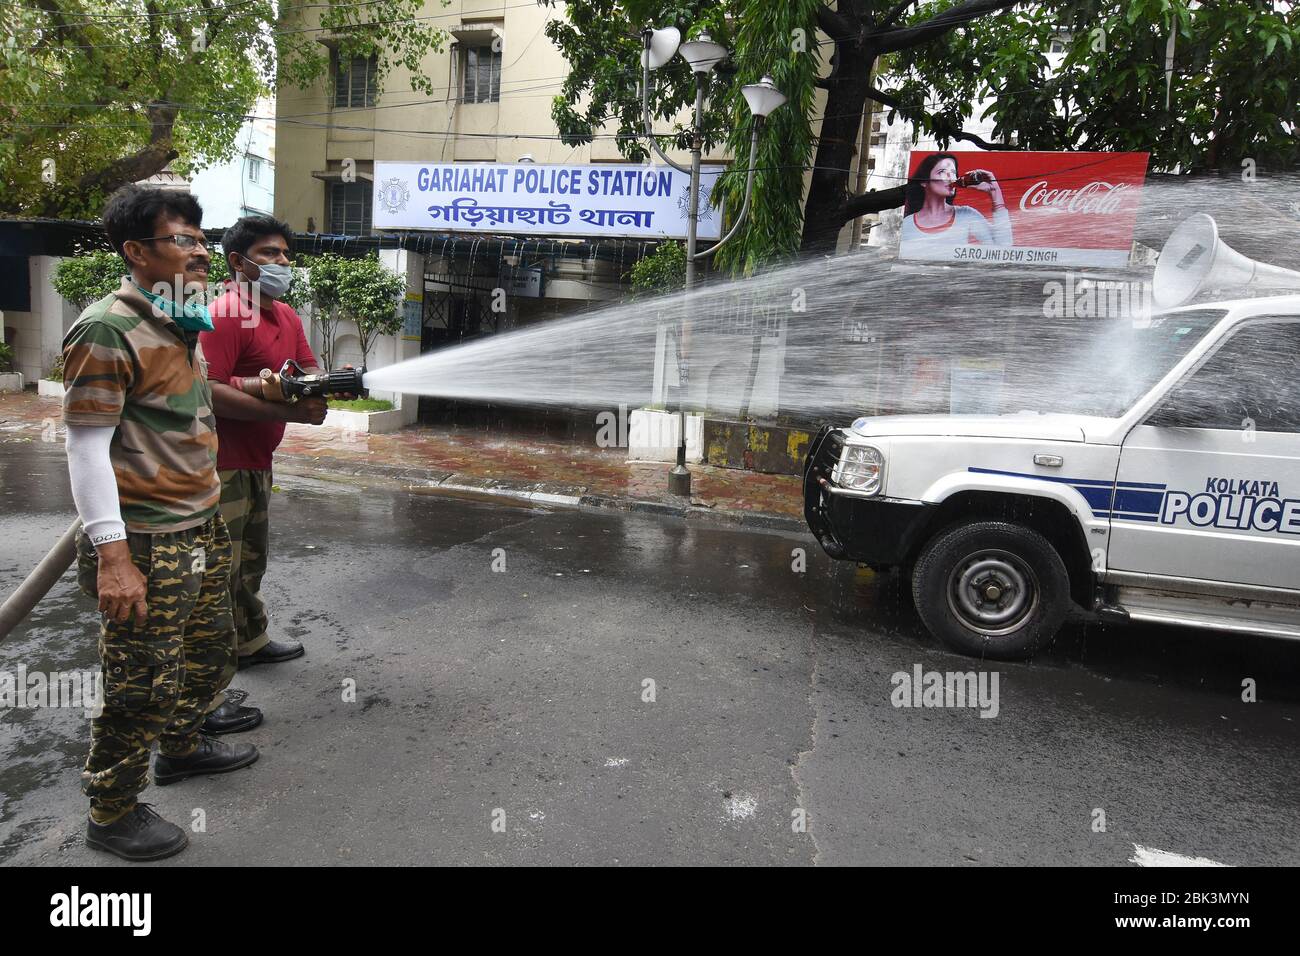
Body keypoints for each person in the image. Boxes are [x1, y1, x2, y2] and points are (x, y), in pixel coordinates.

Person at [63, 185, 258, 862]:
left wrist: (272, 392)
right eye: (185, 240)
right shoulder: (108, 330)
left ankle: (182, 749)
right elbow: (85, 447)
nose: (201, 252)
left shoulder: (180, 318)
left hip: (199, 523)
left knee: (211, 654)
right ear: (137, 251)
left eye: (204, 239)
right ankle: (111, 811)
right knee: (141, 682)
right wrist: (114, 557)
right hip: (146, 538)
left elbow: (187, 408)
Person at [199, 216, 328, 724]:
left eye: (285, 254)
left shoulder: (286, 315)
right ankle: (206, 690)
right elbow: (208, 391)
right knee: (215, 572)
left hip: (258, 459)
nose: (282, 263)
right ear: (238, 262)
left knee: (250, 558)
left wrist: (325, 387)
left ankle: (249, 641)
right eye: (270, 254)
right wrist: (283, 408)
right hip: (221, 462)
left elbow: (305, 368)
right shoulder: (225, 313)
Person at [901, 152, 1013, 255]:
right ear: (924, 181)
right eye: (942, 172)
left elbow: (1003, 251)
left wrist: (995, 193)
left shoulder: (966, 215)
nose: (951, 178)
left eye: (953, 173)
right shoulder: (907, 224)